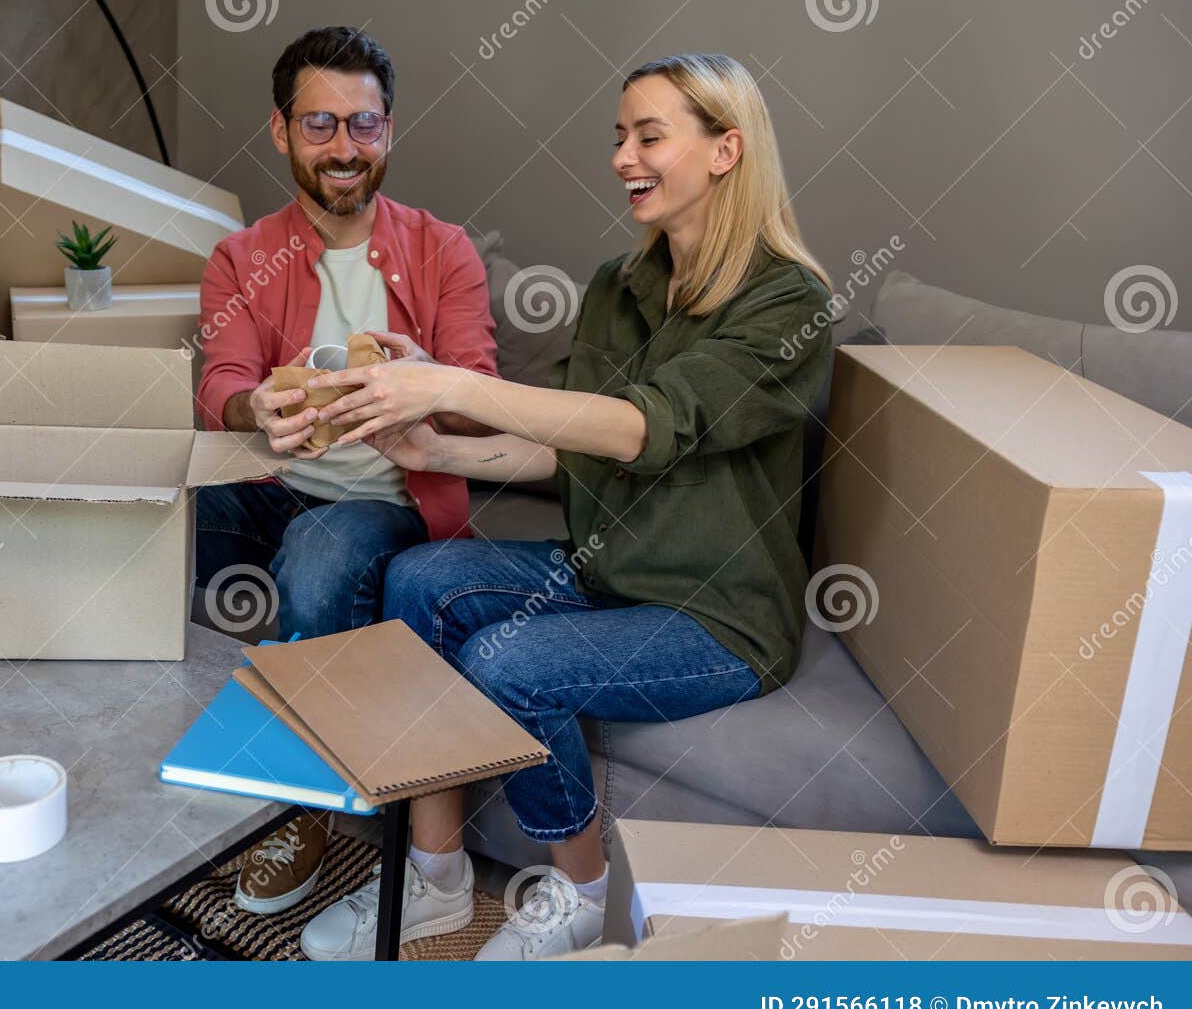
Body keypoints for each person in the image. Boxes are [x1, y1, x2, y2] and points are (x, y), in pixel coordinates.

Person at [296, 53, 835, 960]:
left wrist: (445, 379)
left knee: (510, 660)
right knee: (419, 579)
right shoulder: (620, 287)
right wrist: (439, 444)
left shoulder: (791, 303)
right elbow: (570, 443)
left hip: (715, 613)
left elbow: (642, 429)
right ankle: (436, 876)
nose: (624, 155)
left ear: (725, 150)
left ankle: (580, 893)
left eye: (649, 136)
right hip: (607, 569)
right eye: (620, 137)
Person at [193, 26, 497, 916]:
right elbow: (222, 381)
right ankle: (216, 749)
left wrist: (421, 383)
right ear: (282, 133)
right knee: (174, 524)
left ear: (388, 133)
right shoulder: (242, 257)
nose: (343, 149)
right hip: (272, 486)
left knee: (323, 554)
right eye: (320, 125)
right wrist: (258, 408)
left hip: (392, 500)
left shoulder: (444, 250)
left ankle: (305, 809)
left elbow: (481, 394)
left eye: (363, 126)